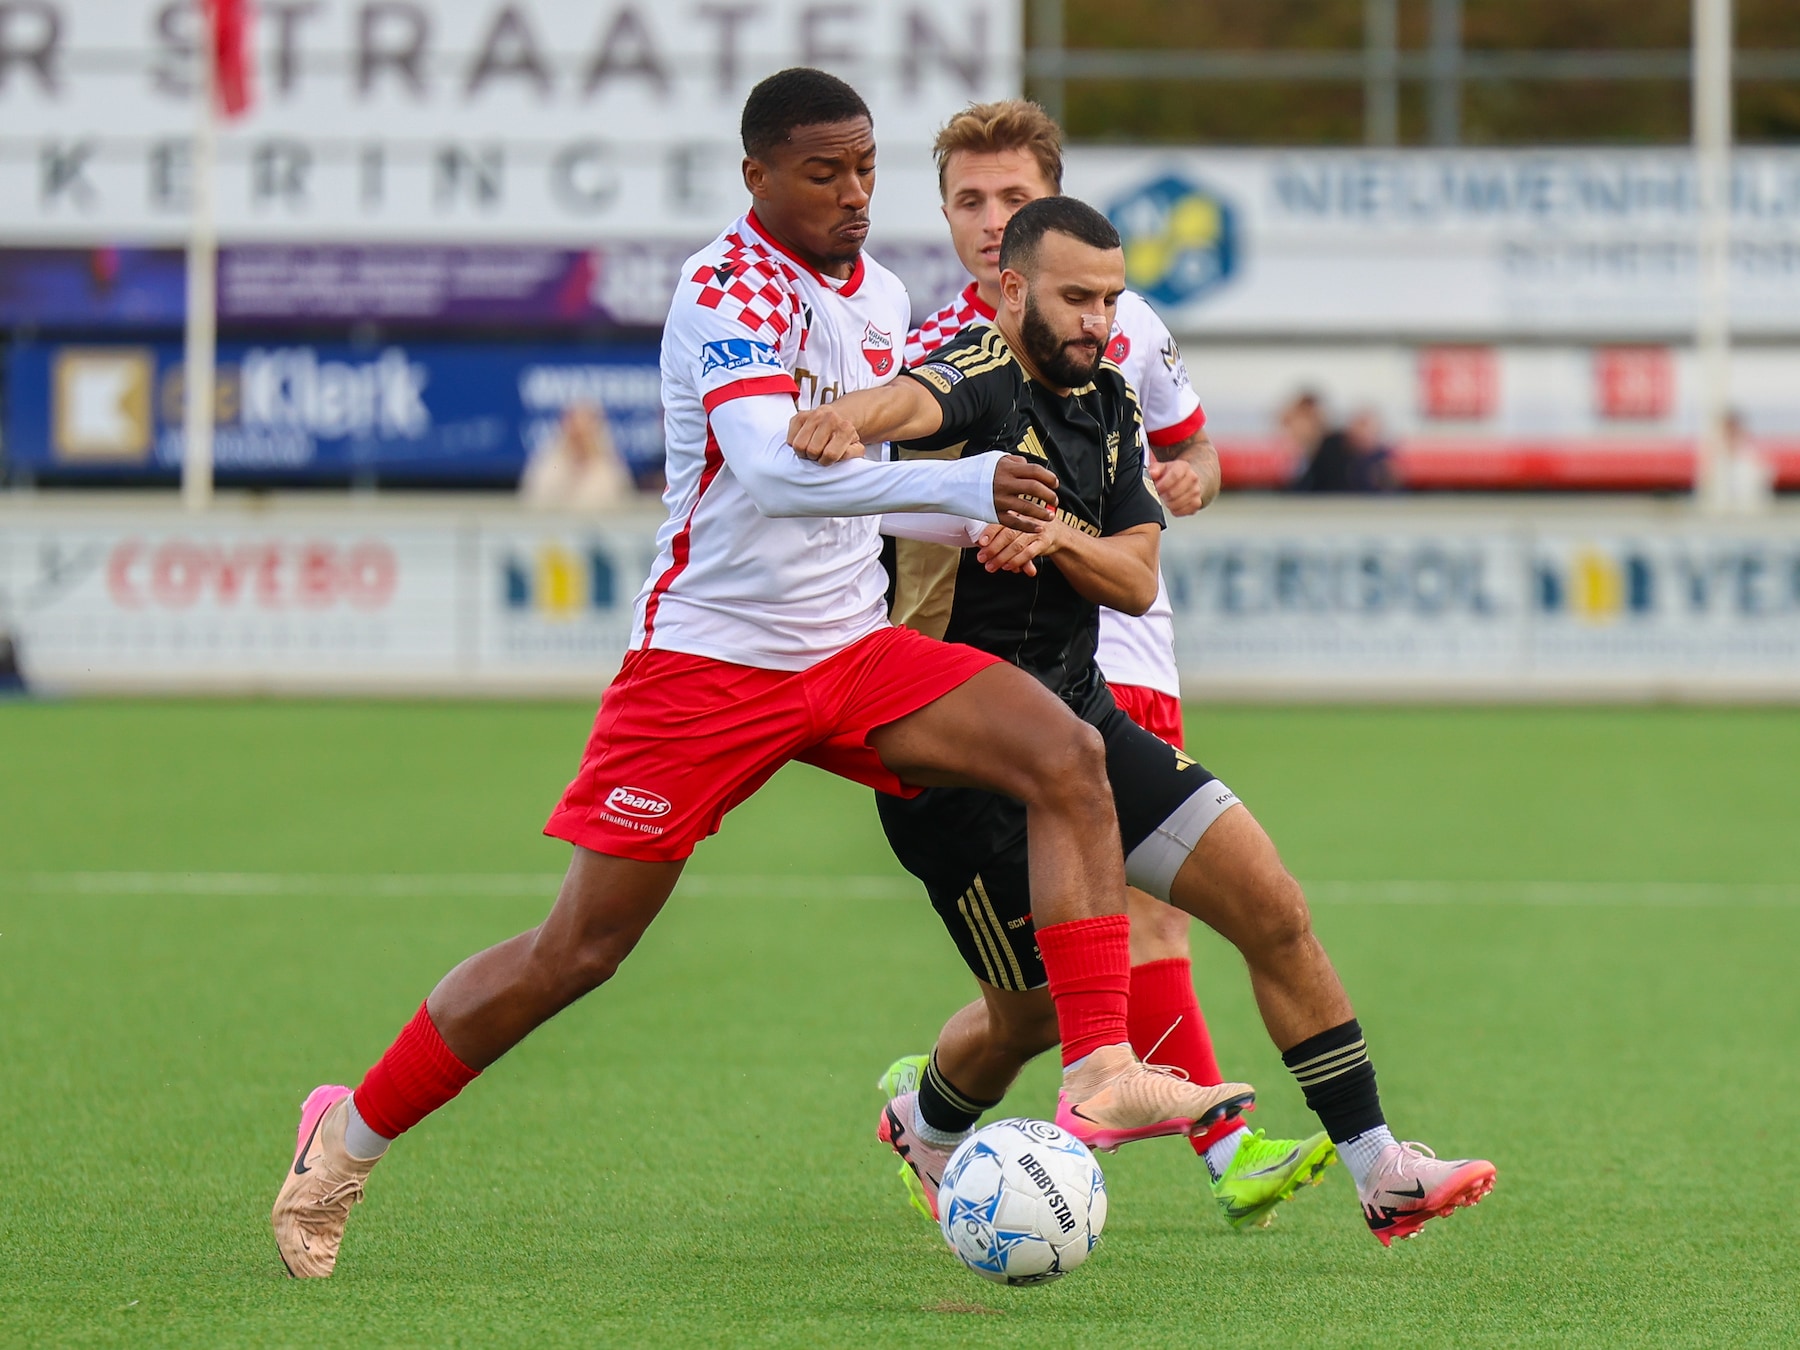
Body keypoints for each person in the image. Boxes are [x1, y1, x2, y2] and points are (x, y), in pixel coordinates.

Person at [269, 68, 1253, 1279]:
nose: (851, 195)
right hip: (710, 664)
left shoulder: (884, 292)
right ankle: (347, 1135)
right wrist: (960, 487)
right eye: (821, 172)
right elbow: (776, 476)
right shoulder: (725, 286)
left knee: (1066, 752)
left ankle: (1099, 1062)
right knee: (577, 952)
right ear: (758, 178)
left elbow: (877, 479)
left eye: (864, 170)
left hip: (849, 651)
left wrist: (987, 524)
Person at [790, 195, 1496, 1248]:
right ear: (1016, 290)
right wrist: (847, 419)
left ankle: (1381, 1167)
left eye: (1111, 298)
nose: (1098, 319)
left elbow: (1132, 576)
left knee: (1274, 907)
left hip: (1085, 725)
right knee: (1028, 1016)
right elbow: (907, 404)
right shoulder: (978, 377)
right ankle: (926, 1119)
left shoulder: (1111, 406)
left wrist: (1055, 536)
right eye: (1077, 298)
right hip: (963, 773)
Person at [887, 98, 1330, 1232]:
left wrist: (1189, 481)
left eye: (1015, 199)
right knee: (1112, 940)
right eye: (969, 203)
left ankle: (982, 1113)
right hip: (1026, 666)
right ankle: (1217, 1140)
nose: (994, 221)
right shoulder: (941, 356)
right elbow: (897, 513)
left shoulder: (1124, 322)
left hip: (1129, 635)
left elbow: (1195, 448)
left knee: (1142, 926)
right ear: (945, 220)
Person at [519, 403, 635, 511]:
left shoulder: (612, 471)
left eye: (584, 433)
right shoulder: (544, 468)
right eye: (575, 433)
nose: (580, 440)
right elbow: (532, 507)